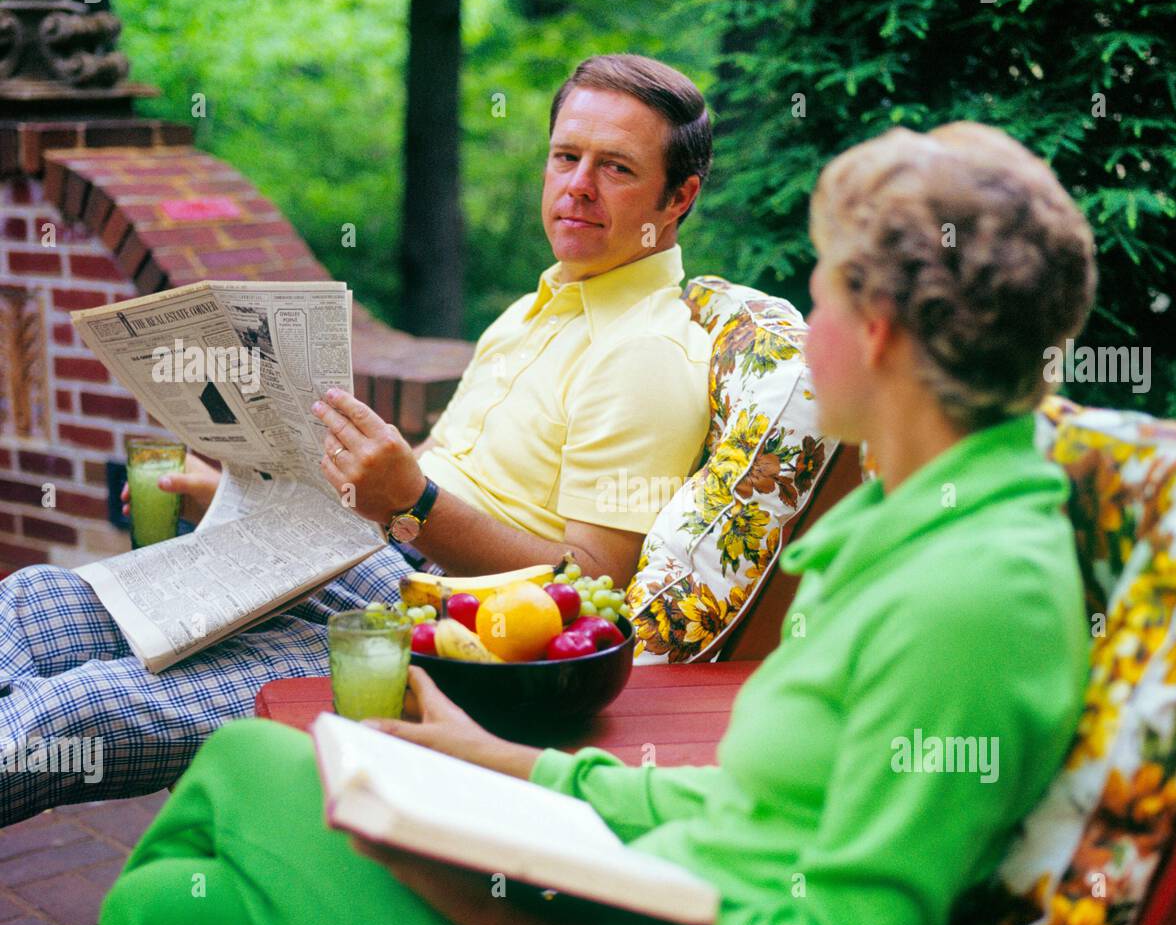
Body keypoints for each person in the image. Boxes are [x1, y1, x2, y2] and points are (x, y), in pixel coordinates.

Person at [8, 121, 1096, 925]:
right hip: (638, 920)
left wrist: (541, 917)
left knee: (251, 759)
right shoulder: (906, 531)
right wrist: (518, 771)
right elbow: (762, 807)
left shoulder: (970, 596)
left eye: (815, 300)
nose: (800, 340)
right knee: (160, 918)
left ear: (879, 334)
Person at [0, 54, 713, 827]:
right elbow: (430, 488)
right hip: (349, 556)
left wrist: (413, 501)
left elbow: (593, 585)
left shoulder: (646, 353)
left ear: (678, 198)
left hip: (433, 635)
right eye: (566, 156)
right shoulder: (532, 310)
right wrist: (262, 491)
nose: (578, 184)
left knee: (71, 715)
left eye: (616, 168)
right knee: (27, 603)